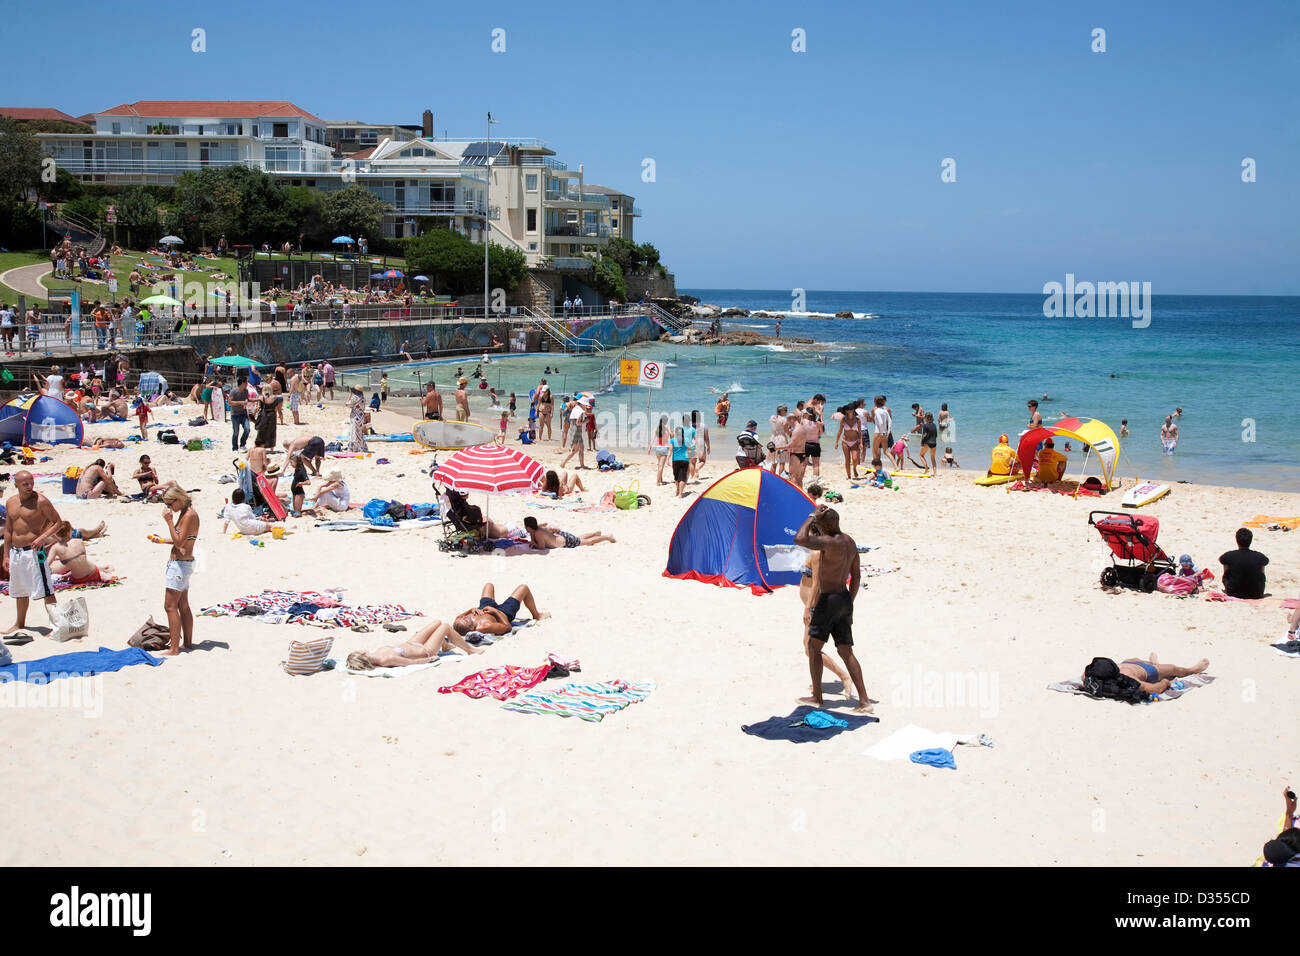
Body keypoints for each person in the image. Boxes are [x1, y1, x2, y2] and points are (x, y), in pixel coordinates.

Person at [793, 505, 871, 713]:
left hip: (828, 601)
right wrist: (850, 601)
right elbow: (856, 576)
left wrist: (811, 516)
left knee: (813, 647)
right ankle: (864, 701)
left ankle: (817, 697)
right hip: (844, 599)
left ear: (824, 525)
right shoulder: (850, 542)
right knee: (846, 650)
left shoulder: (827, 542)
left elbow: (799, 538)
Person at [798, 489, 855, 700]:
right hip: (815, 604)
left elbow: (817, 584)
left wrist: (808, 608)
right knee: (810, 648)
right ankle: (820, 686)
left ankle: (842, 677)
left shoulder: (817, 552)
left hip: (815, 606)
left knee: (810, 648)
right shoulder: (816, 551)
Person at [2, 471, 64, 633]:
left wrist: (42, 537)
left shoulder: (41, 501)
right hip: (16, 553)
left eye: (31, 483)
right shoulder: (10, 502)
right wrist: (6, 555)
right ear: (16, 485)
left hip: (35, 552)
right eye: (25, 484)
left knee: (46, 589)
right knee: (19, 589)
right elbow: (8, 530)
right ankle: (19, 623)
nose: (30, 487)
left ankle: (56, 625)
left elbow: (57, 522)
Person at [157, 487, 198, 655]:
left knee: (170, 606)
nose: (169, 508)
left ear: (178, 499)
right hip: (184, 563)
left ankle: (174, 649)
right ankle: (187, 643)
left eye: (169, 504)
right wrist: (161, 540)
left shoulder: (188, 515)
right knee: (182, 604)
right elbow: (183, 539)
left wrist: (168, 521)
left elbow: (180, 542)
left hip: (179, 565)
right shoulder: (187, 513)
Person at [346, 620, 483, 669]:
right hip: (425, 651)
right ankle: (470, 650)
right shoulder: (385, 659)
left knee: (436, 622)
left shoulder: (374, 653)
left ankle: (446, 646)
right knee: (445, 627)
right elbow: (410, 663)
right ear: (361, 654)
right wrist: (429, 659)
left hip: (411, 643)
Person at [452, 582, 551, 637]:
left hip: (484, 608)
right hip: (503, 613)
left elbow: (458, 617)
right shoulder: (484, 627)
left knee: (488, 585)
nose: (464, 617)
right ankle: (536, 615)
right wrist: (495, 611)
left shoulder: (459, 623)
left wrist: (471, 610)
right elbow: (507, 627)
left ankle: (489, 607)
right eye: (465, 619)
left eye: (463, 617)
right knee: (523, 588)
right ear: (472, 629)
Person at [1084, 653, 1209, 696]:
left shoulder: (1088, 675)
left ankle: (1153, 662)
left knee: (1135, 659)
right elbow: (1156, 689)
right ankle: (1192, 670)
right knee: (1173, 669)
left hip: (1129, 664)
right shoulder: (1128, 679)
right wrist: (1166, 682)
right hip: (1149, 672)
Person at [47, 521, 104, 585]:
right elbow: (82, 562)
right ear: (69, 532)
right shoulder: (79, 541)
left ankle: (97, 533)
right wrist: (67, 575)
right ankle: (97, 534)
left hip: (79, 579)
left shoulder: (55, 547)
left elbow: (46, 564)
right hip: (94, 573)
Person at [1220, 528, 1269, 599]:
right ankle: (1257, 585)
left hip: (1233, 592)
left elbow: (1221, 559)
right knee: (1261, 565)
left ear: (1237, 540)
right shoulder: (1259, 556)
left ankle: (1231, 584)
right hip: (1256, 594)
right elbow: (1266, 561)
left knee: (1227, 563)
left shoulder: (1229, 555)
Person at [523, 516, 614, 550]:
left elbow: (541, 547)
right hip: (561, 537)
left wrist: (534, 543)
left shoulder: (538, 533)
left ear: (528, 527)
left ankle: (607, 537)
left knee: (588, 542)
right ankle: (594, 533)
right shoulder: (535, 529)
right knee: (578, 539)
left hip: (564, 541)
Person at [561, 397, 590, 470]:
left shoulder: (576, 408)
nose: (586, 406)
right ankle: (563, 463)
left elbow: (573, 420)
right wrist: (586, 421)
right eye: (585, 405)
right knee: (575, 450)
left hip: (573, 429)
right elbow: (578, 423)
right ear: (583, 404)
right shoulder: (580, 411)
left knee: (580, 448)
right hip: (577, 430)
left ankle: (582, 465)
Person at [834, 405, 863, 479]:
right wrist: (836, 442)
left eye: (851, 409)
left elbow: (860, 432)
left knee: (855, 458)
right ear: (846, 411)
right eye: (848, 409)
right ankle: (849, 476)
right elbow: (840, 431)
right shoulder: (843, 420)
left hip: (855, 441)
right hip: (845, 442)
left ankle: (854, 468)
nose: (849, 411)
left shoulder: (857, 420)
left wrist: (861, 442)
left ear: (854, 410)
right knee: (847, 460)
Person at [229, 375, 252, 450]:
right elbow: (230, 402)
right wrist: (240, 403)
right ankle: (235, 447)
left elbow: (248, 400)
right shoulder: (233, 391)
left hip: (243, 413)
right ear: (242, 383)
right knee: (236, 432)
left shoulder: (246, 391)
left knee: (247, 429)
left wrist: (258, 399)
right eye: (246, 382)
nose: (247, 384)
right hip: (235, 414)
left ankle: (242, 444)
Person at [649, 415, 672, 485]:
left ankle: (660, 479)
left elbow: (652, 439)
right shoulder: (667, 428)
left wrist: (649, 448)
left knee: (659, 465)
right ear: (666, 421)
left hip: (657, 448)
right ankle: (658, 481)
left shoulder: (657, 429)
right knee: (661, 466)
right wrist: (668, 429)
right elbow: (672, 435)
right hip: (664, 448)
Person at [669, 425, 690, 497]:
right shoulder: (687, 440)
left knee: (676, 476)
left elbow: (670, 450)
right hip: (685, 460)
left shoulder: (672, 440)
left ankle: (677, 490)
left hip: (675, 460)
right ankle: (680, 494)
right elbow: (690, 449)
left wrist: (667, 459)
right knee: (683, 477)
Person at [346, 386, 369, 453]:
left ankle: (354, 448)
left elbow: (347, 404)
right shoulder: (363, 398)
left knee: (353, 432)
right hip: (361, 416)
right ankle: (361, 446)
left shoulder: (355, 398)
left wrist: (349, 395)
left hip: (355, 416)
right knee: (359, 432)